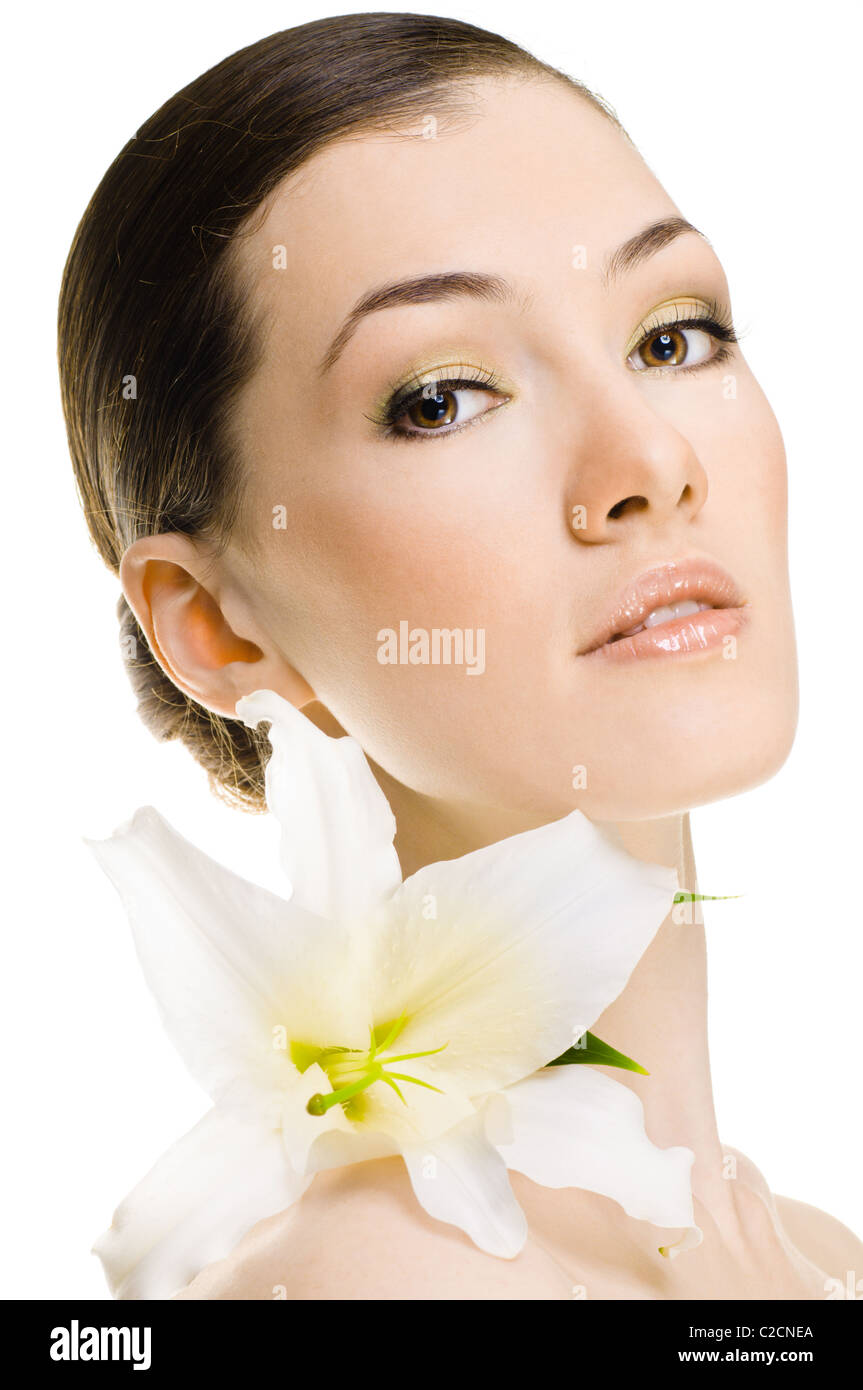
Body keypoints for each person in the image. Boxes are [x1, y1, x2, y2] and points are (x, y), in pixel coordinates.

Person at [58, 12, 862, 1299]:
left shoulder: (806, 1257)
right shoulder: (360, 1282)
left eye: (672, 335)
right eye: (439, 398)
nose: (650, 464)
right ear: (215, 623)